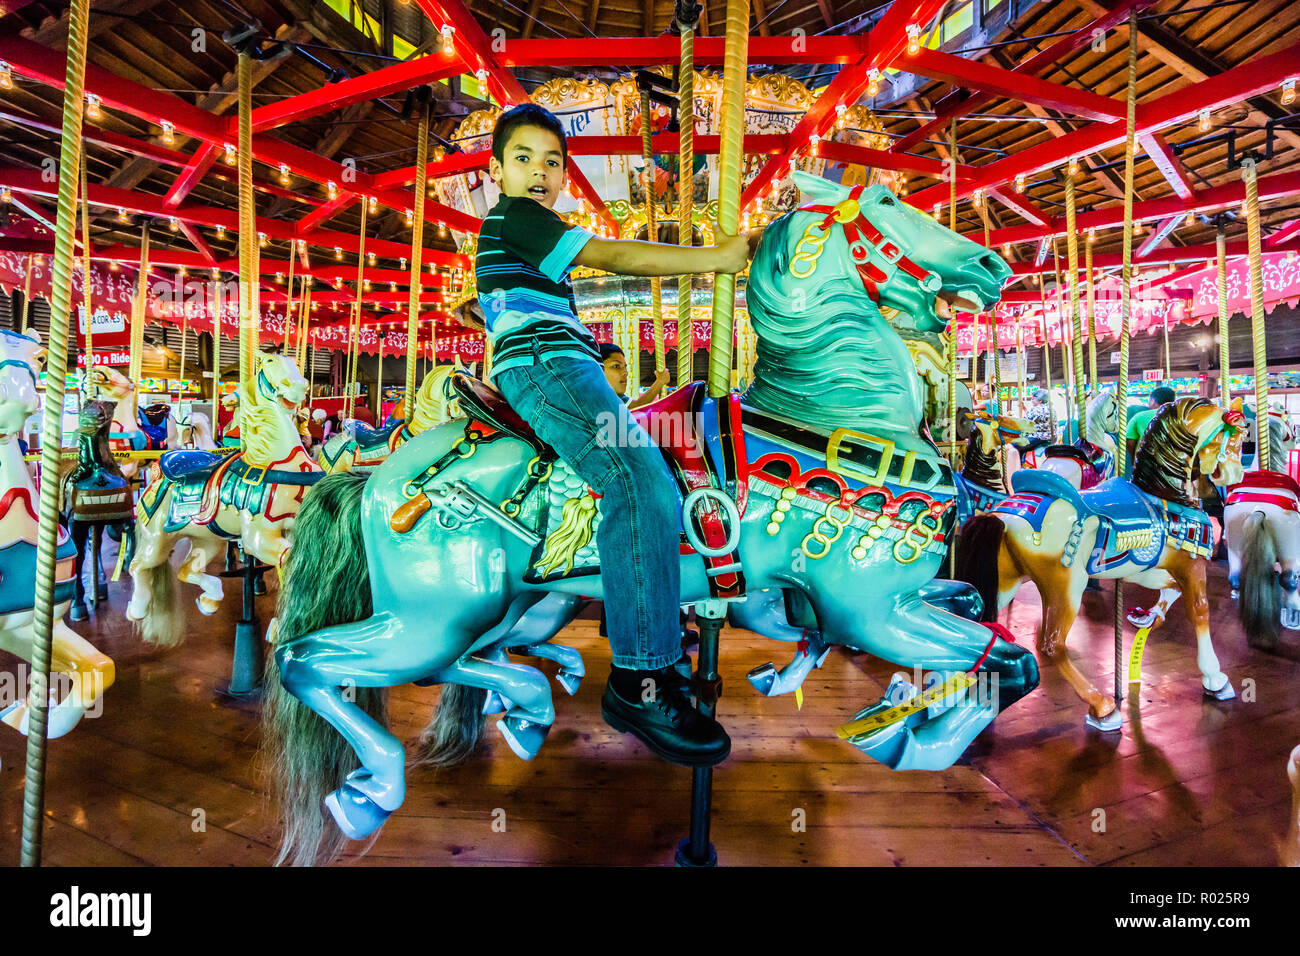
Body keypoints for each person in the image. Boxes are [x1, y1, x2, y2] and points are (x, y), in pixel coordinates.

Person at [478, 102, 749, 766]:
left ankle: (655, 633)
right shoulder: (516, 218)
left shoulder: (531, 238)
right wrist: (715, 258)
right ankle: (640, 676)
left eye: (552, 161)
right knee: (639, 484)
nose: (540, 171)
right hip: (547, 364)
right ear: (495, 169)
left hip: (564, 362)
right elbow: (616, 253)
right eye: (524, 158)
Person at [599, 342, 671, 410]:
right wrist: (660, 382)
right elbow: (638, 407)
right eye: (616, 366)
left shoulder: (616, 397)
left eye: (625, 367)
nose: (625, 372)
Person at [1124, 385, 1176, 476]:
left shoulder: (1139, 417)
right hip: (1173, 464)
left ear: (1153, 400)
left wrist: (1133, 460)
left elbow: (1129, 443)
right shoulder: (1180, 417)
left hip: (1146, 464)